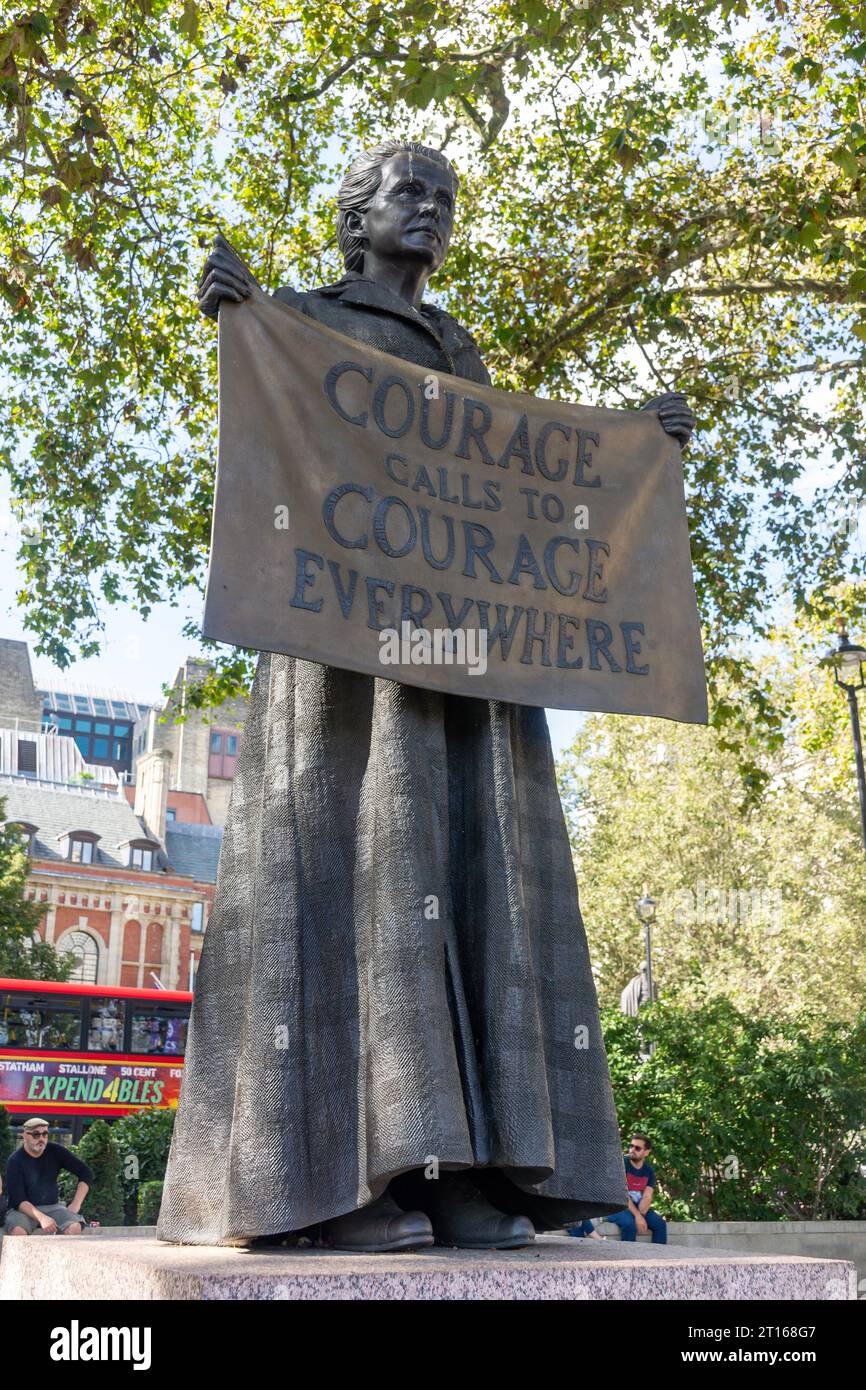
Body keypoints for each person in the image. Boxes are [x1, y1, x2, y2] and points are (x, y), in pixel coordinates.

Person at [157, 139, 695, 1252]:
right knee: (354, 883)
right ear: (356, 218)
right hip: (345, 675)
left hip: (461, 678)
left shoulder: (462, 351)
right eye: (410, 191)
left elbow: (524, 501)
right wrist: (237, 315)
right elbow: (275, 460)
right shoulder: (303, 321)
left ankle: (456, 1163)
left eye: (446, 197)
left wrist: (636, 452)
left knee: (460, 891)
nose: (433, 209)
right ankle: (338, 1182)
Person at [3, 1118, 93, 1236]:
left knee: (74, 1227)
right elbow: (18, 1200)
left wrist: (76, 1203)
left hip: (53, 1207)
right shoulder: (15, 1161)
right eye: (36, 1135)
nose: (41, 1139)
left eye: (45, 1134)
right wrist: (42, 1218)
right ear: (25, 1136)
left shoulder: (56, 1151)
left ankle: (62, 1255)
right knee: (18, 1232)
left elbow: (85, 1173)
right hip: (22, 1210)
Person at [605, 1133, 667, 1243]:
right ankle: (629, 1259)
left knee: (660, 1224)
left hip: (636, 1207)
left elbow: (647, 1196)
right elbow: (622, 1195)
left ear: (646, 1152)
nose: (632, 1150)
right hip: (616, 1206)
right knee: (630, 1224)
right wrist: (637, 1216)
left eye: (637, 1148)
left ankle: (659, 1258)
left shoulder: (648, 1171)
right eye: (631, 1146)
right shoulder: (620, 1165)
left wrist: (641, 1215)